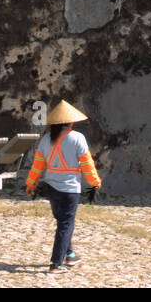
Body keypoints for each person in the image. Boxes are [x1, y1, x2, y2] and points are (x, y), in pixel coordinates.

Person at [25, 100, 102, 273]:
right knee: (65, 225)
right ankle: (56, 263)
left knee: (63, 223)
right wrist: (95, 183)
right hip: (69, 190)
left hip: (51, 188)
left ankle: (70, 255)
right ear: (70, 121)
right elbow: (87, 165)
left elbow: (37, 165)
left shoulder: (46, 140)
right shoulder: (77, 138)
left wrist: (31, 184)